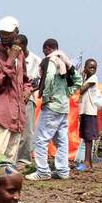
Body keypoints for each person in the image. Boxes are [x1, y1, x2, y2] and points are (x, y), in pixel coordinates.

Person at [31, 39, 76, 181]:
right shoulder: (65, 61)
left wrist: (45, 98)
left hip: (52, 105)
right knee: (61, 139)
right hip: (63, 106)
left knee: (41, 139)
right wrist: (68, 93)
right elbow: (78, 79)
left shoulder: (51, 60)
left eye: (44, 49)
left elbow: (49, 78)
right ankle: (63, 170)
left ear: (47, 48)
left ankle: (43, 171)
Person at [0, 16, 29, 163]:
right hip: (3, 113)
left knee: (11, 157)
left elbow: (25, 78)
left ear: (16, 32)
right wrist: (10, 60)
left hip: (17, 113)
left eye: (8, 33)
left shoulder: (20, 54)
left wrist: (27, 90)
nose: (4, 36)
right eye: (2, 33)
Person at [75, 58, 102, 171]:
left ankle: (87, 162)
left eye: (94, 68)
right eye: (90, 67)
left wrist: (81, 78)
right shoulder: (88, 79)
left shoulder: (93, 79)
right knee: (86, 138)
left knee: (88, 139)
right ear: (85, 68)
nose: (92, 70)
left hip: (90, 112)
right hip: (85, 111)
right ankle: (88, 162)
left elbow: (81, 90)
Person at [18, 33, 41, 167]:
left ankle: (24, 160)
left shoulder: (35, 60)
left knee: (27, 131)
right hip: (12, 99)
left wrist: (29, 91)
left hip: (28, 99)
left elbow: (40, 81)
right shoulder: (12, 58)